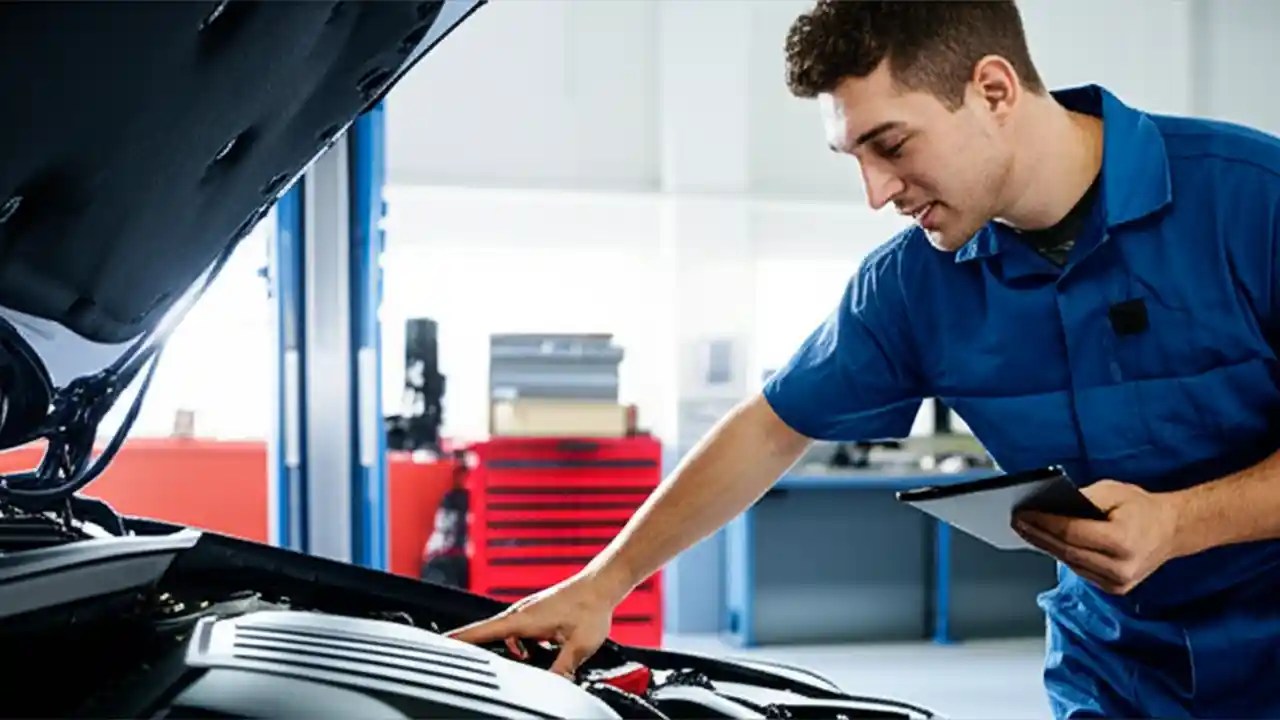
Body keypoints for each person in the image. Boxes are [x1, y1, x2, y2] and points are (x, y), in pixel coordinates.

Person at [448, 1, 1280, 717]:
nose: (877, 194)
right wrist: (606, 580)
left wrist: (1180, 522)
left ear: (992, 91)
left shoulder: (1251, 200)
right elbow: (772, 427)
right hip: (1116, 675)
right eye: (856, 160)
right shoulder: (913, 284)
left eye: (892, 146)